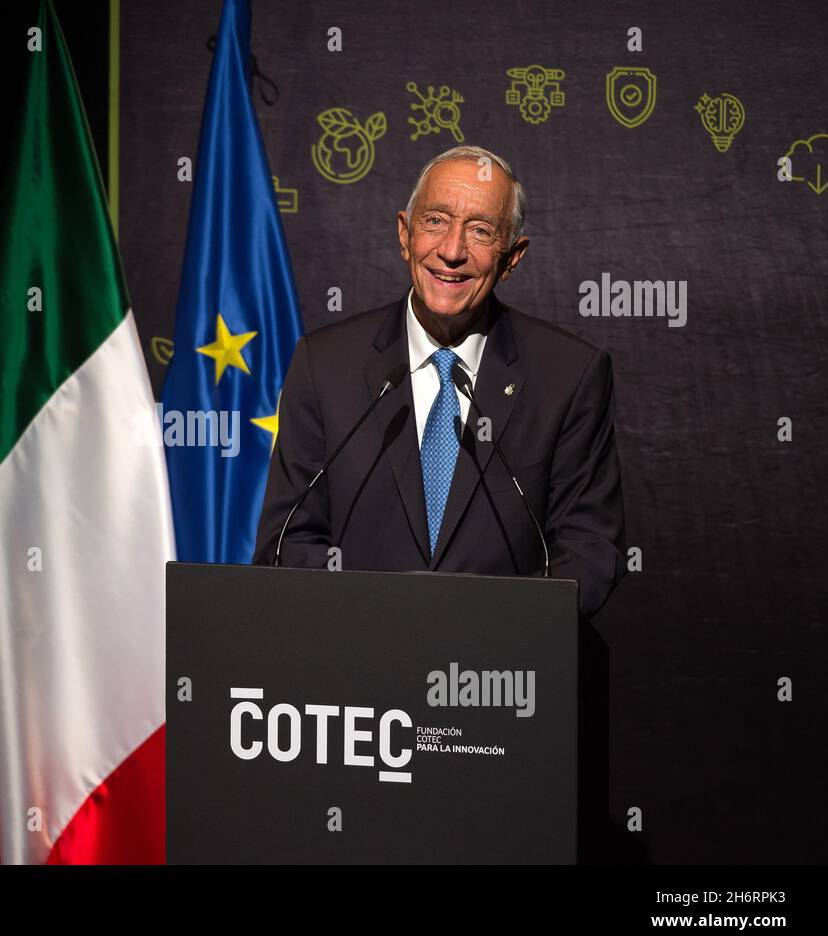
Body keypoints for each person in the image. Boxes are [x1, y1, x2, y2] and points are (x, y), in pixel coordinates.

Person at [252, 145, 625, 617]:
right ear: (405, 234)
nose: (452, 251)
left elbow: (590, 549)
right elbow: (290, 538)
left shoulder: (570, 375)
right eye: (436, 221)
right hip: (355, 665)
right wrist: (373, 624)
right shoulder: (323, 365)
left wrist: (497, 635)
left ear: (512, 257)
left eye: (481, 231)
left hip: (501, 675)